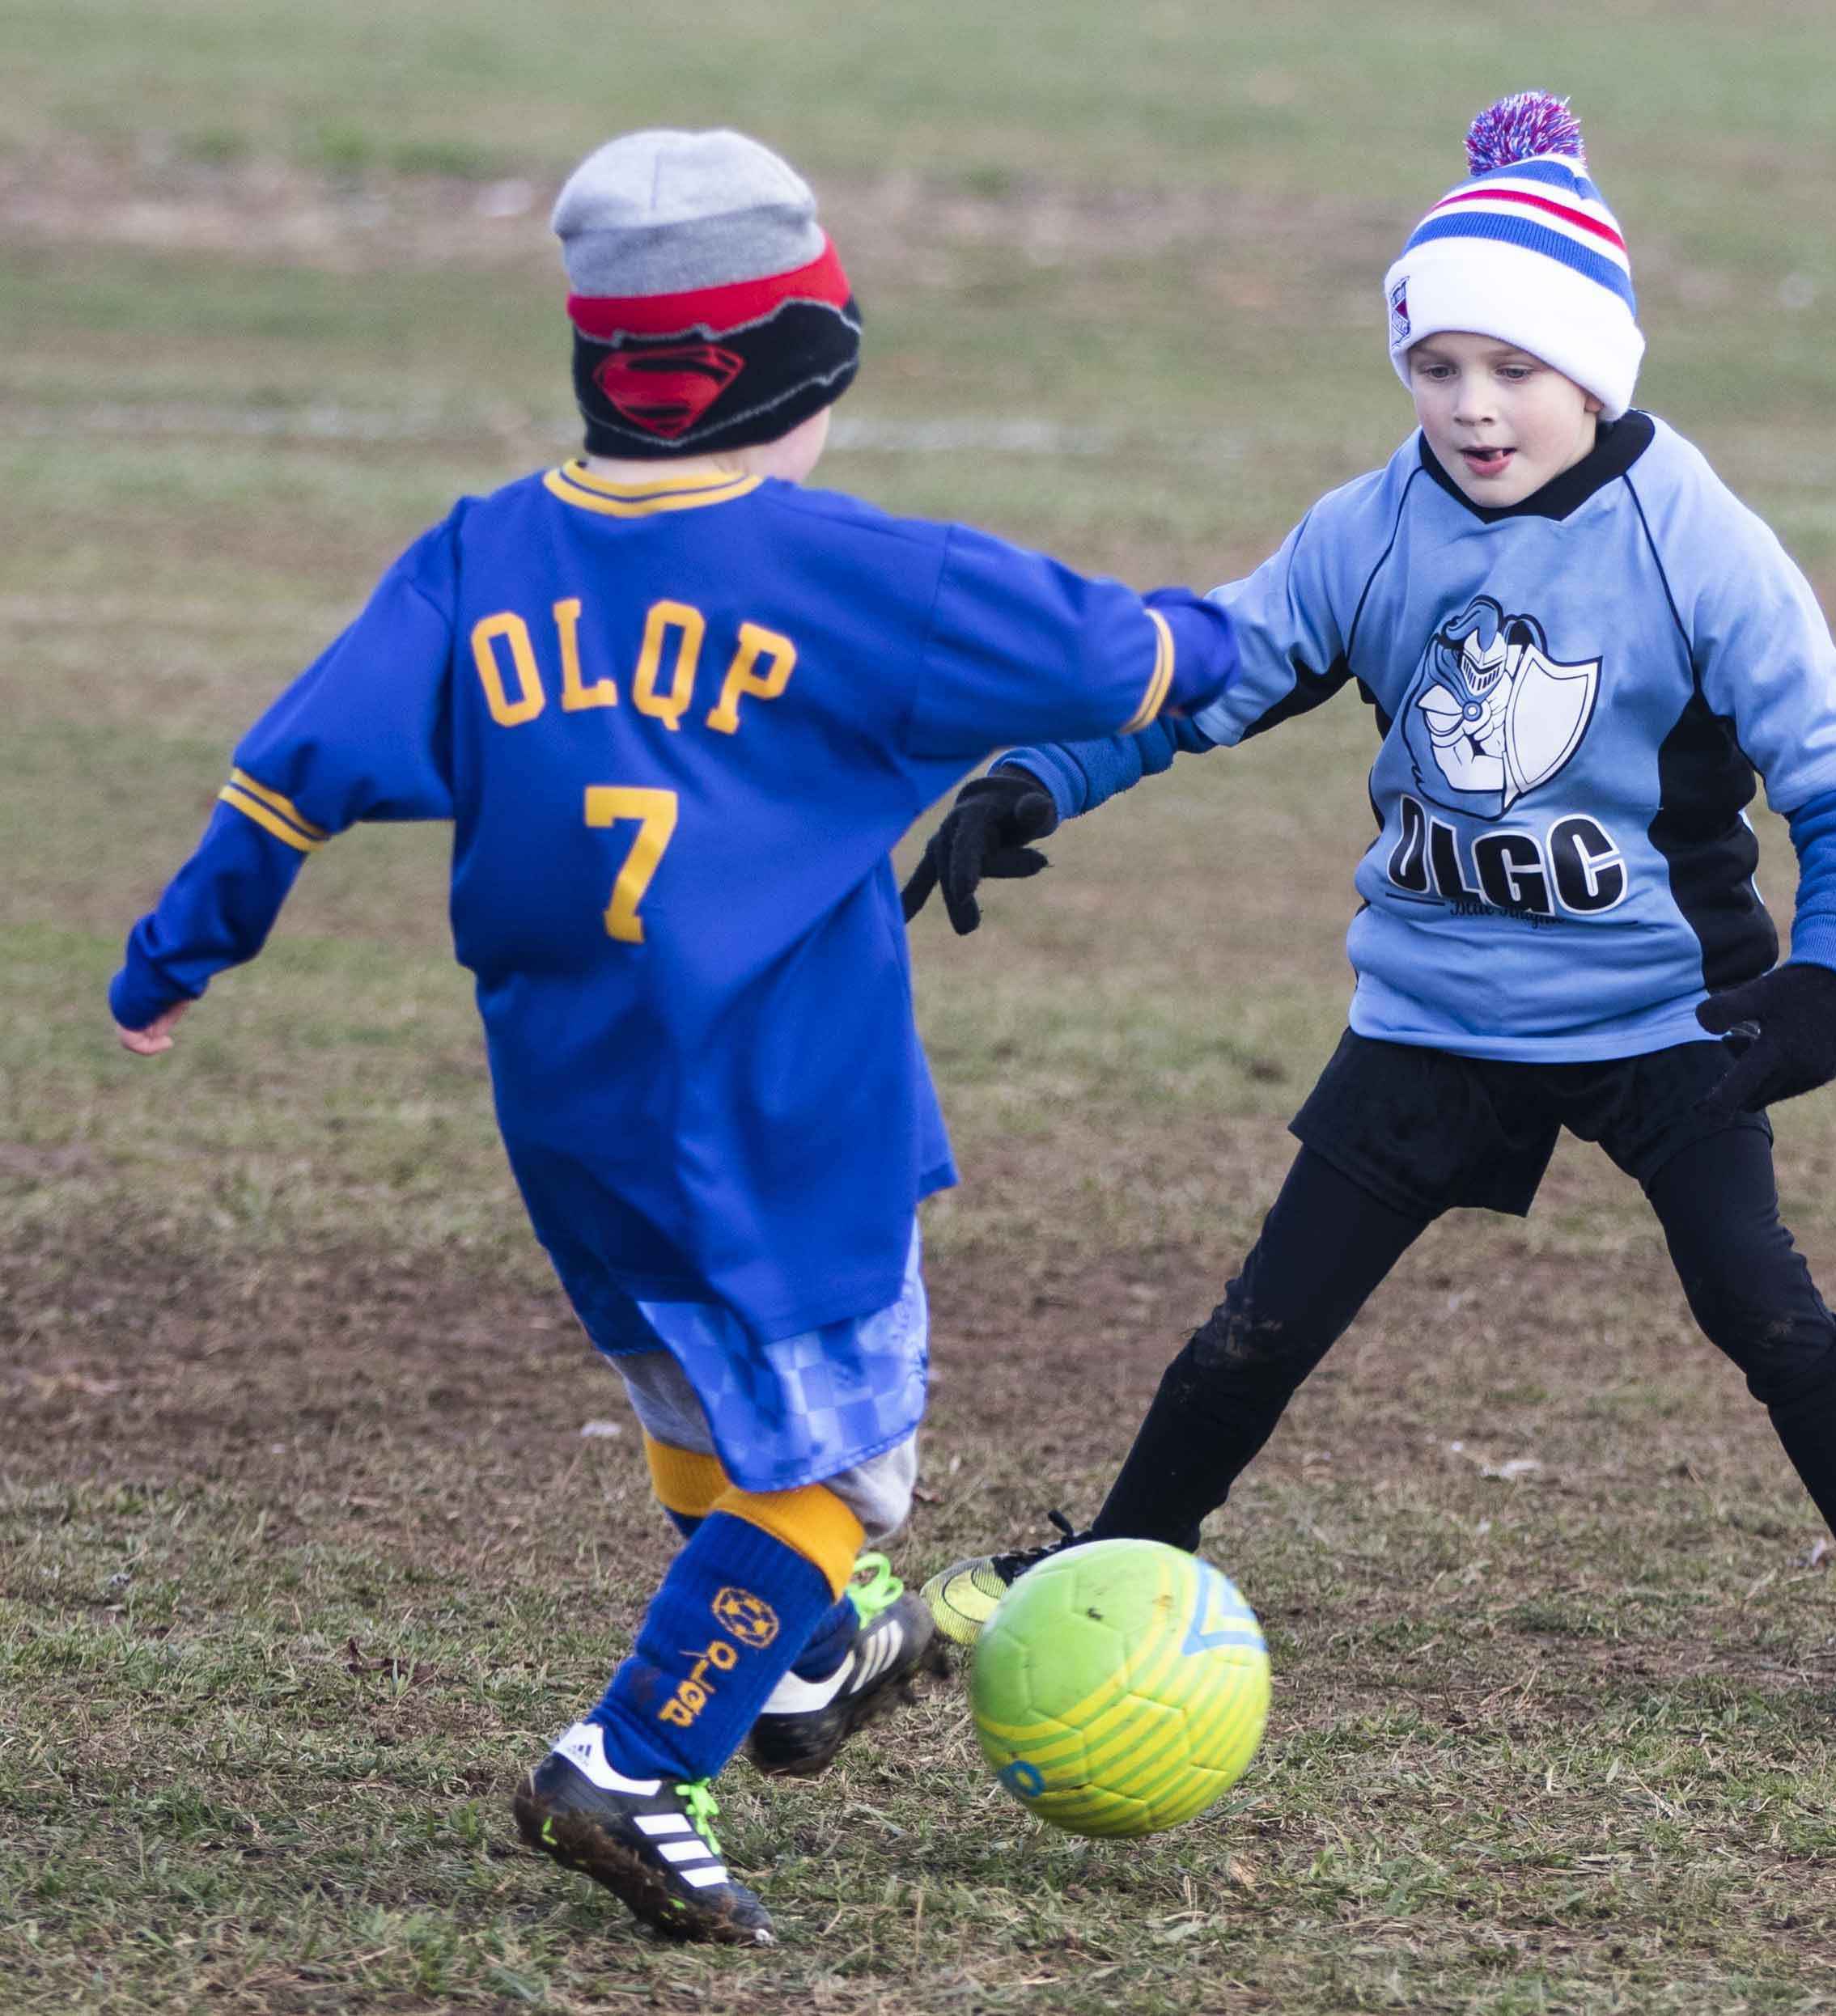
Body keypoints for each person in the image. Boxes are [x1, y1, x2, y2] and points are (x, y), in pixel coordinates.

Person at [109, 127, 1240, 1943]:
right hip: (787, 1126)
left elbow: (287, 774)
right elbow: (1131, 661)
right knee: (840, 1471)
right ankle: (638, 1754)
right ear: (806, 358)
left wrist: (176, 955)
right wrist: (1229, 635)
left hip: (576, 1119)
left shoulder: (478, 557)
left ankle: (789, 1664)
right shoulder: (856, 570)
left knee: (702, 1392)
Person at [906, 94, 1836, 1739]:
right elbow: (1206, 678)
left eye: (1515, 367)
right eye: (1438, 366)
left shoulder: (1689, 533)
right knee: (1252, 1334)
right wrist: (1042, 779)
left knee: (1769, 1314)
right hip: (1432, 1009)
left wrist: (1828, 985)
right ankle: (1109, 1559)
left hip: (1665, 1020)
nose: (1473, 405)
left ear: (1598, 367)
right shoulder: (1375, 525)